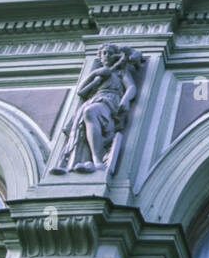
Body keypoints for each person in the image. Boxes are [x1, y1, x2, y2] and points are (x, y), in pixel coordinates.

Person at [53, 44, 143, 173]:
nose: (107, 56)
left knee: (90, 112)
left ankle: (98, 161)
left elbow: (131, 87)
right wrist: (96, 75)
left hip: (110, 100)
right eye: (104, 53)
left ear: (115, 56)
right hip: (94, 99)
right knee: (81, 129)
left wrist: (125, 99)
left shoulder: (120, 72)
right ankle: (75, 163)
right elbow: (81, 91)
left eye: (110, 53)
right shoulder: (98, 74)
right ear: (100, 57)